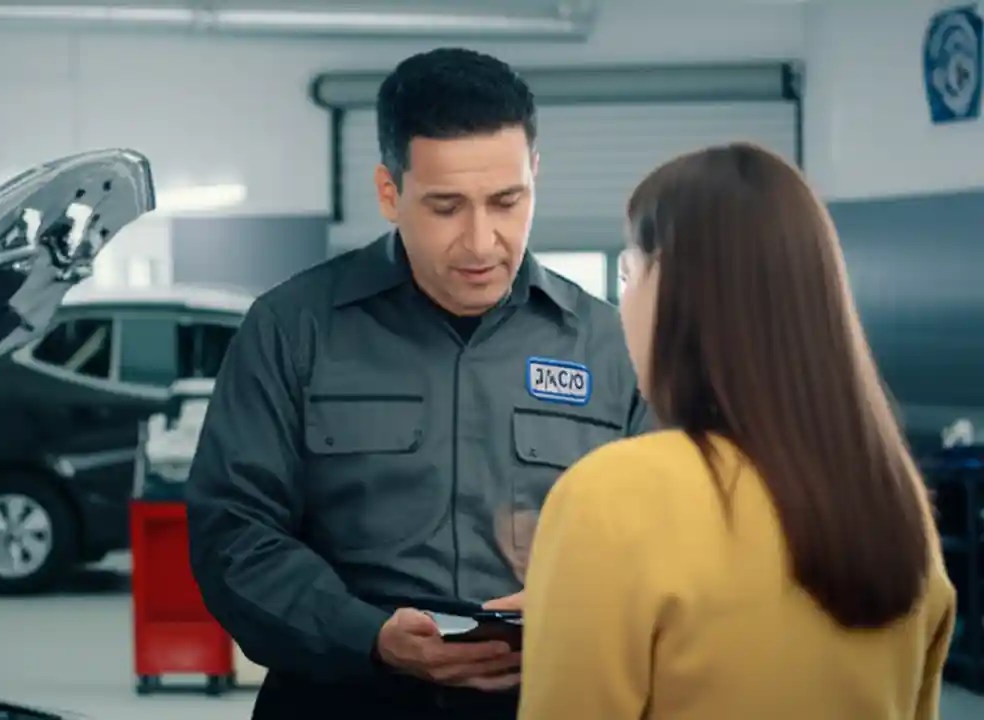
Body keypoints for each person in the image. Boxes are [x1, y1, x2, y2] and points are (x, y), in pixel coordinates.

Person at [185, 47, 648, 719]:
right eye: (446, 206)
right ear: (388, 192)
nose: (481, 241)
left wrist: (584, 606)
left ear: (535, 178)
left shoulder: (611, 346)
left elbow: (664, 548)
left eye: (506, 201)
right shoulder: (292, 329)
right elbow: (233, 532)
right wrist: (367, 637)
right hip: (341, 700)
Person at [517, 142, 957, 719]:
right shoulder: (895, 504)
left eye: (629, 273)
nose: (622, 304)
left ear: (675, 289)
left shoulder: (611, 495)